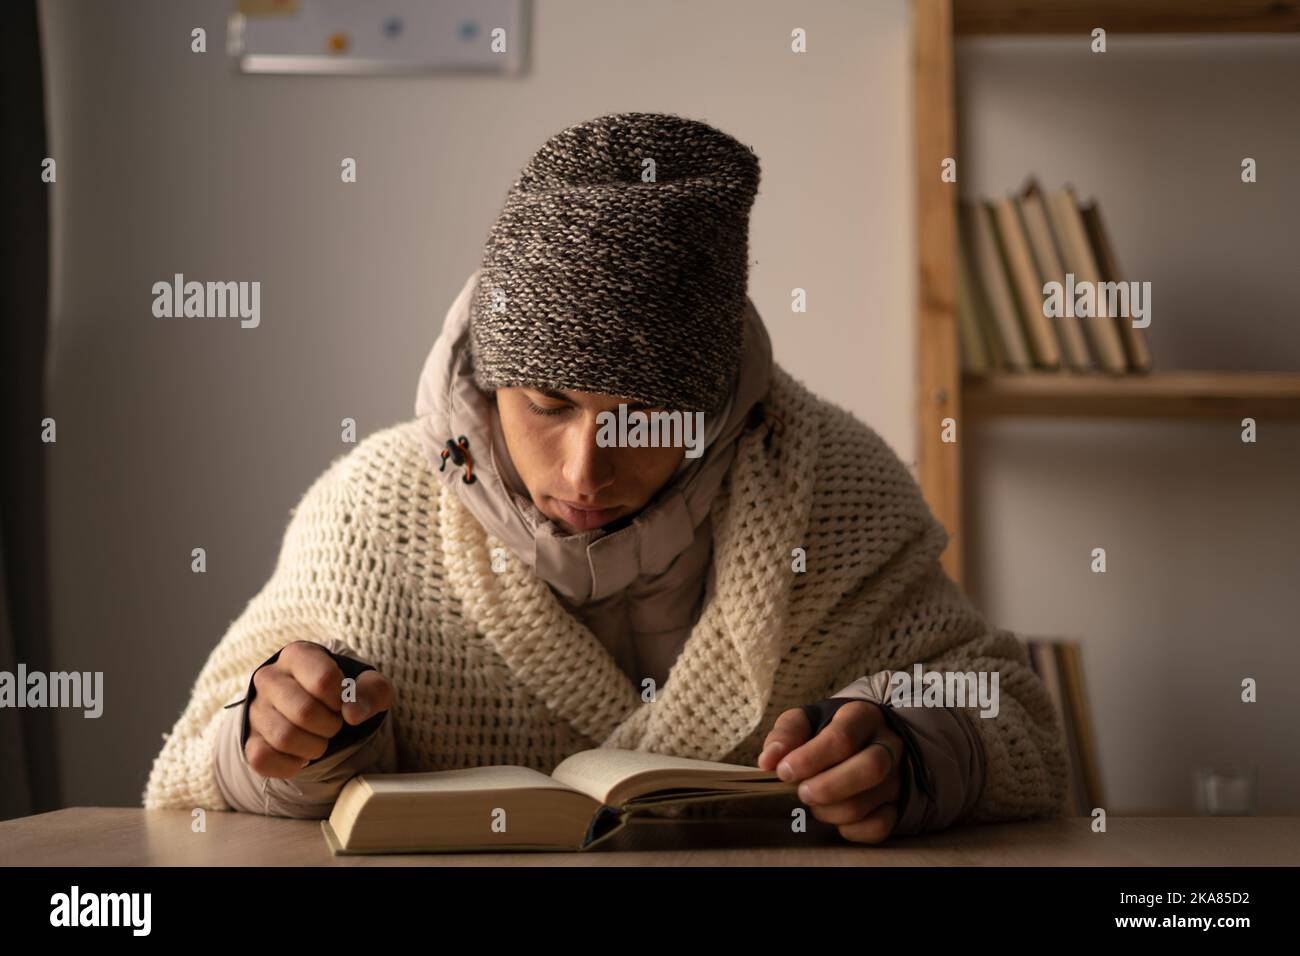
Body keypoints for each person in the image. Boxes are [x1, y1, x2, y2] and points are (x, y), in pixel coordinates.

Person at [143, 112, 1067, 844]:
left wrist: (914, 752)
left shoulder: (835, 485)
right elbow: (184, 784)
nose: (585, 468)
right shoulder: (372, 513)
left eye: (642, 418)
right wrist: (276, 741)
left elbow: (1015, 719)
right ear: (489, 384)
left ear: (711, 408)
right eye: (546, 405)